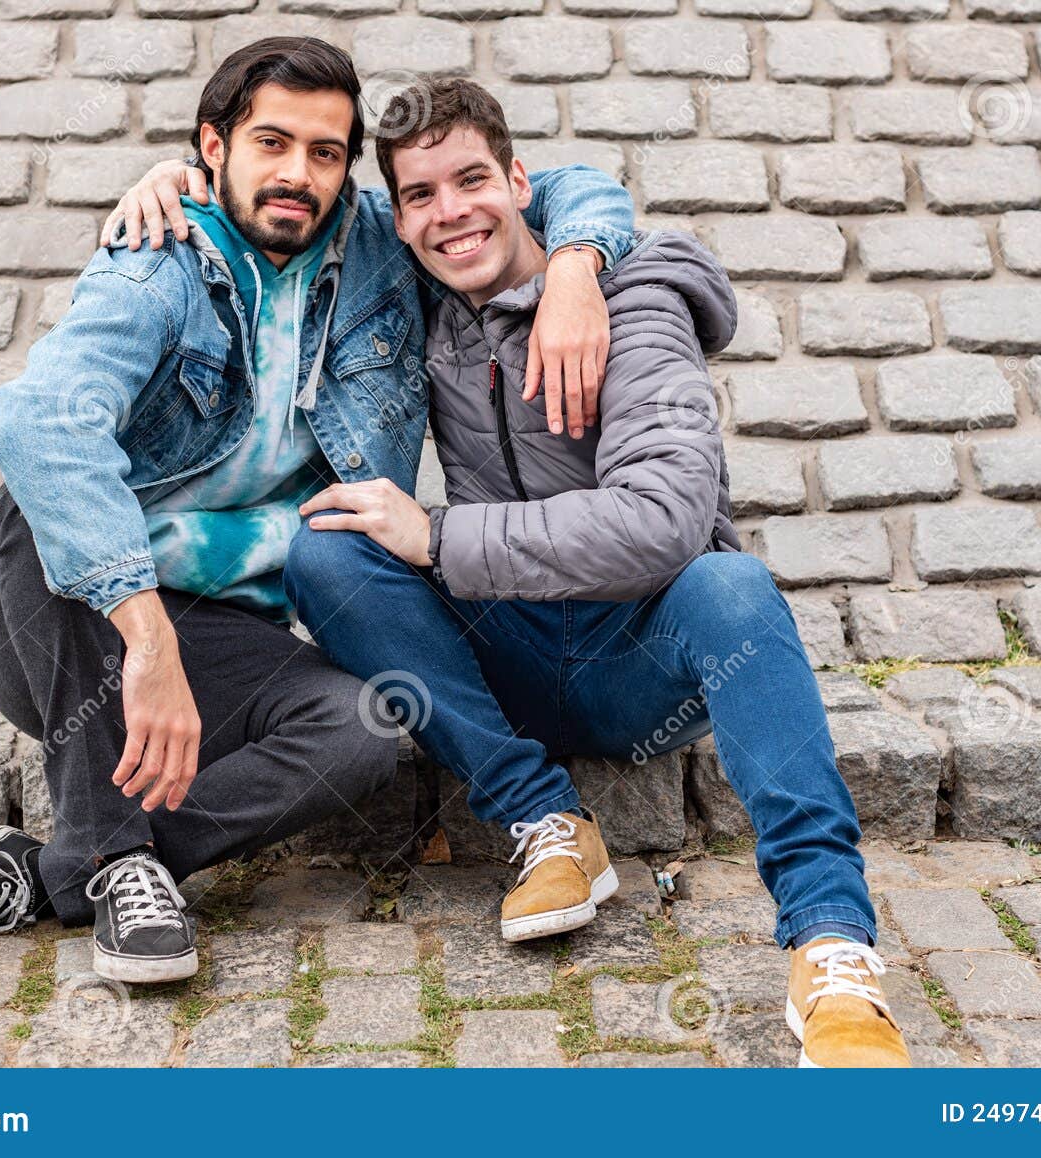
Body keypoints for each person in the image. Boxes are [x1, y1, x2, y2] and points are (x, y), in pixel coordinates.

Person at [0, 39, 638, 987]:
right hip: (74, 627)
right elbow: (34, 424)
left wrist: (575, 267)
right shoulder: (158, 265)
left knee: (364, 726)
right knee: (32, 512)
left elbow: (568, 186)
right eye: (271, 144)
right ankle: (118, 868)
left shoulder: (382, 245)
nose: (298, 174)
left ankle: (70, 868)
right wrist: (148, 641)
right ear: (214, 147)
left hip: (227, 638)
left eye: (325, 152)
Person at [275, 78, 907, 1067]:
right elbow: (289, 196)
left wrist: (439, 537)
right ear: (396, 219)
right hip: (510, 655)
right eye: (420, 196)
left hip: (634, 659)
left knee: (730, 586)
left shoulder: (639, 302)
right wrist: (183, 172)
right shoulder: (429, 302)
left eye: (473, 181)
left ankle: (831, 948)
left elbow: (661, 524)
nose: (451, 214)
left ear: (519, 182)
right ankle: (546, 820)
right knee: (328, 546)